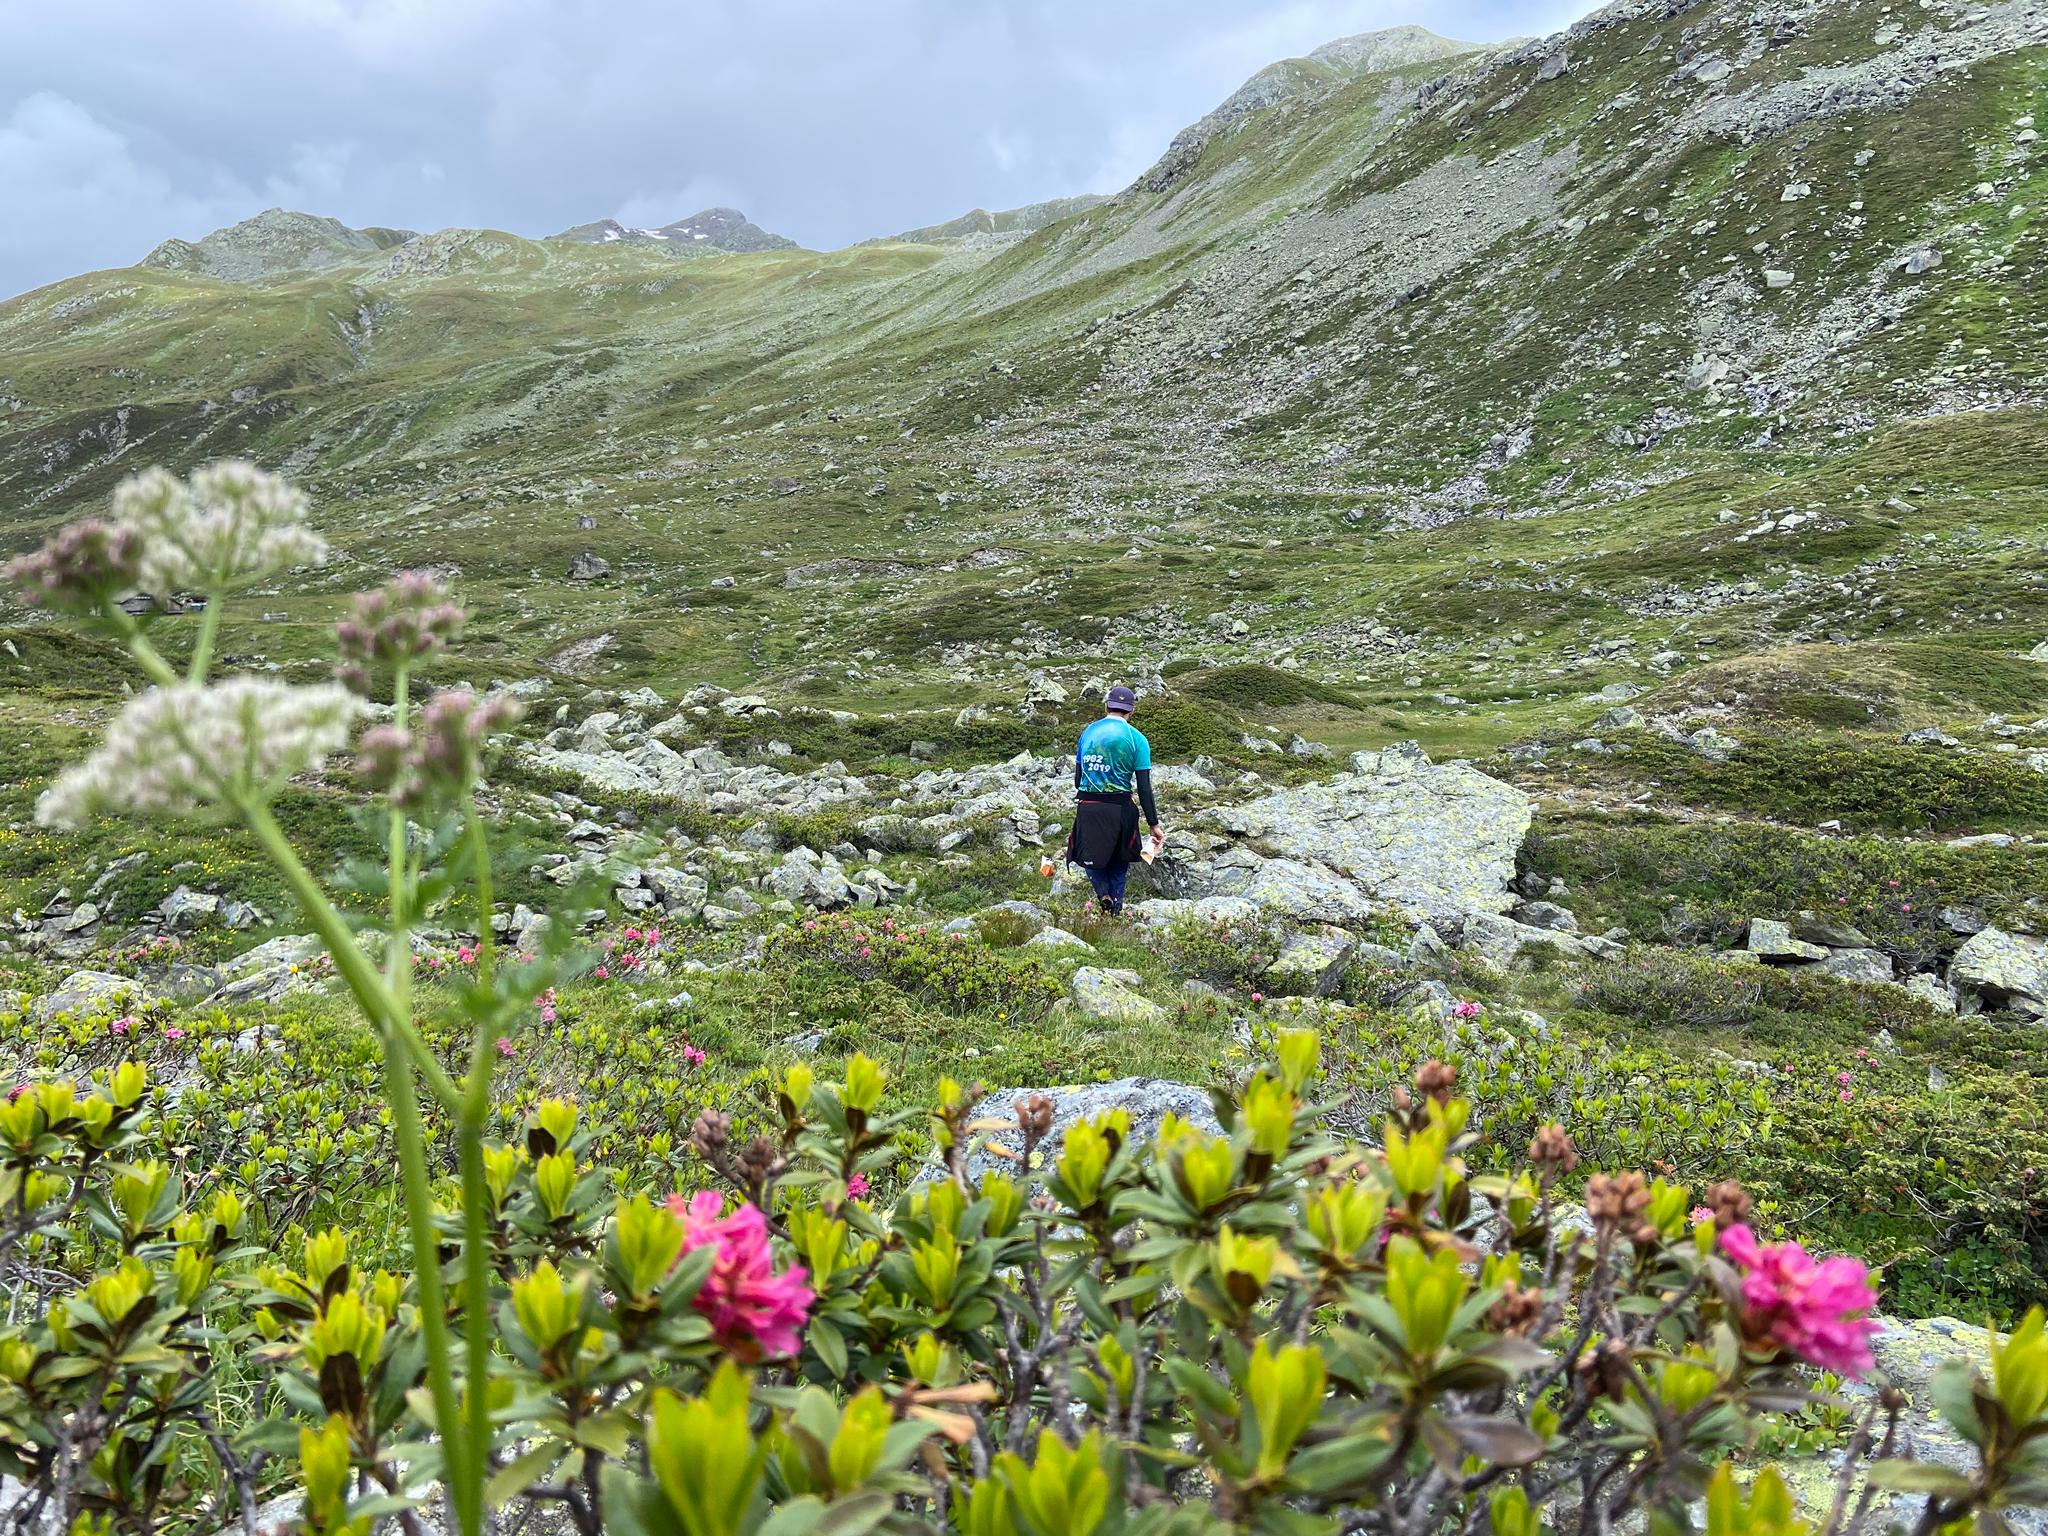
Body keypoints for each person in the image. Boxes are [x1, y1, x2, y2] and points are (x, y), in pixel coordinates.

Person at [1065, 684, 1162, 915]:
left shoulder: (1088, 732)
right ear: (1131, 710)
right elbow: (1144, 788)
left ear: (1107, 705)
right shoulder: (1137, 738)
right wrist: (1153, 824)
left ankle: (1103, 895)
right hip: (1120, 807)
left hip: (1088, 806)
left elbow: (1078, 780)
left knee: (1089, 857)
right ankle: (1115, 911)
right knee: (1119, 862)